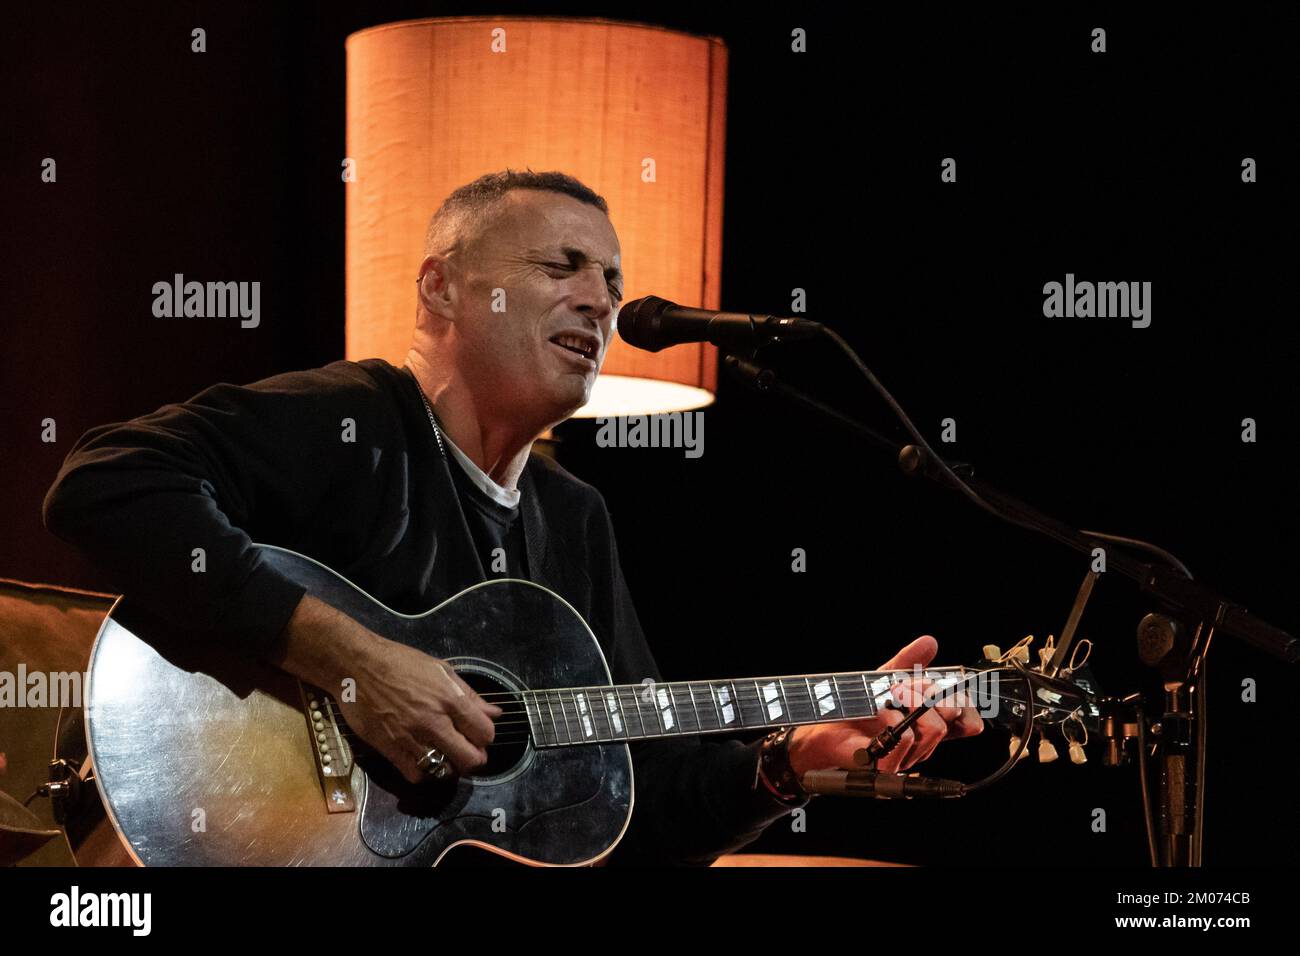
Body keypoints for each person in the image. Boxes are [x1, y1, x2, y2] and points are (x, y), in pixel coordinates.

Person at [43, 169, 982, 865]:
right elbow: (104, 483)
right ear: (440, 287)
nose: (601, 300)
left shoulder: (573, 517)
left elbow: (635, 809)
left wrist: (784, 761)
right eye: (561, 265)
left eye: (611, 281)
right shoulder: (352, 422)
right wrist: (353, 659)